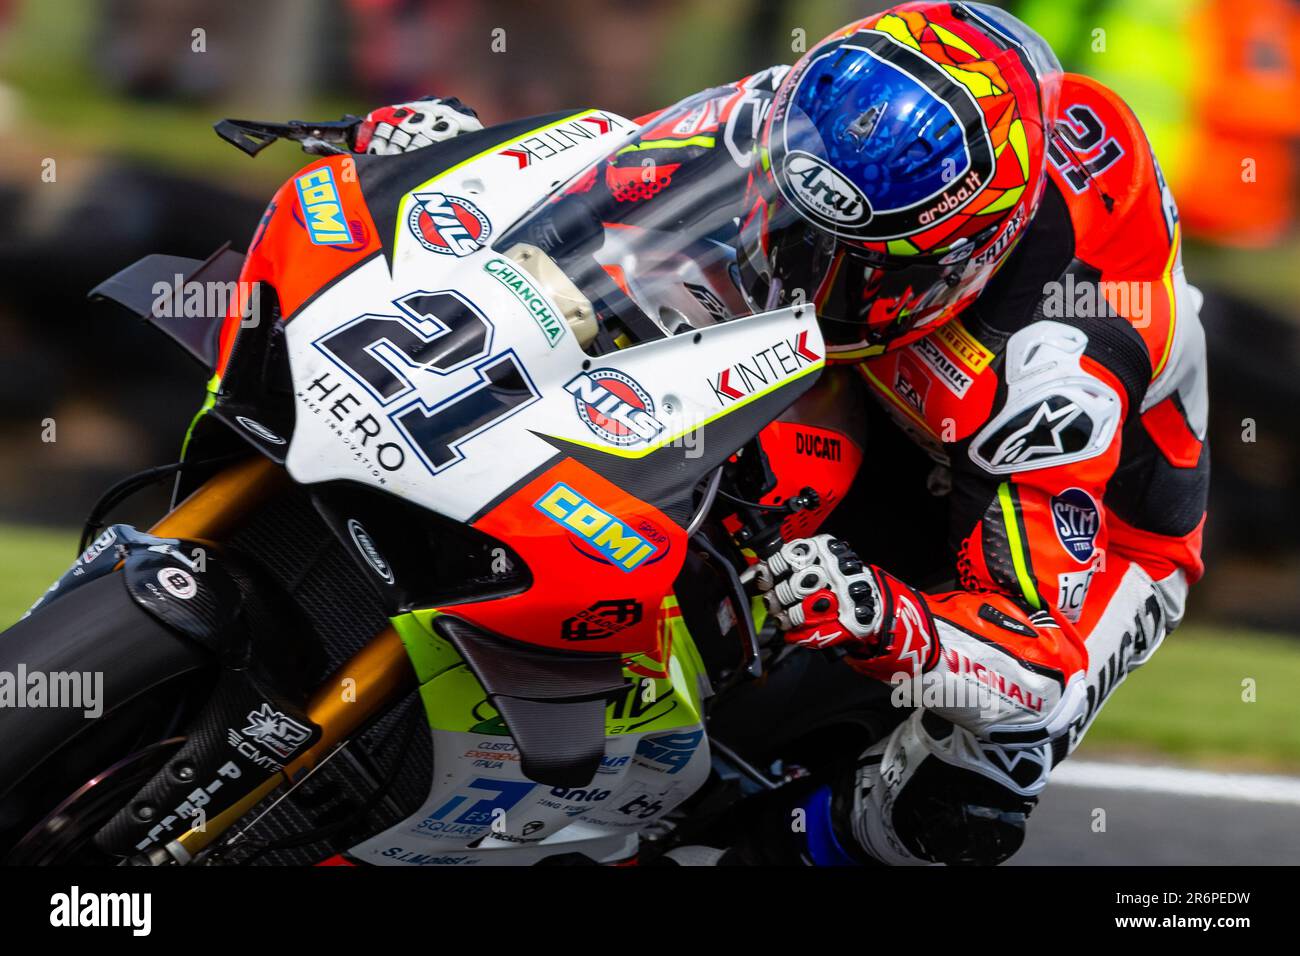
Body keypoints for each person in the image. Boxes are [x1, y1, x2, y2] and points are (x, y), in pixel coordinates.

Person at [352, 1, 1208, 865]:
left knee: (962, 799)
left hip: (1099, 532)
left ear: (972, 254)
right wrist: (455, 163)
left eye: (866, 261)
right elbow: (604, 168)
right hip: (869, 384)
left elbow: (1036, 666)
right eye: (800, 232)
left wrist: (889, 623)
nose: (810, 272)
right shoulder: (807, 115)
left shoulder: (1054, 368)